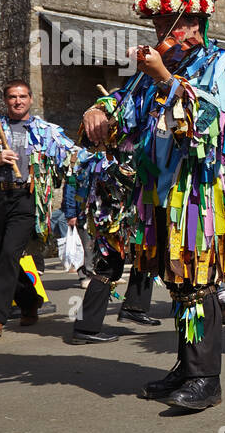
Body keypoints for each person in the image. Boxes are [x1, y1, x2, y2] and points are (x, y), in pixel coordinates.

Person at [82, 0, 225, 412]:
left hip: (202, 195)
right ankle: (185, 365)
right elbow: (126, 113)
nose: (163, 38)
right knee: (178, 281)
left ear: (195, 28)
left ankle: (207, 378)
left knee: (198, 277)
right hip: (162, 191)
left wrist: (166, 79)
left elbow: (216, 124)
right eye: (158, 30)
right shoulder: (150, 73)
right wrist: (99, 112)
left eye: (171, 29)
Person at [0, 79, 77, 340]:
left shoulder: (45, 131)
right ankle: (30, 301)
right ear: (6, 100)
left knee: (9, 256)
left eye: (23, 96)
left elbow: (71, 155)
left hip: (26, 199)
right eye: (13, 97)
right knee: (0, 256)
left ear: (30, 100)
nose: (18, 101)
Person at [65, 146, 158, 345]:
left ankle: (133, 307)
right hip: (114, 208)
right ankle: (86, 327)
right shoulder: (113, 147)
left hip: (123, 207)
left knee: (139, 255)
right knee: (108, 268)